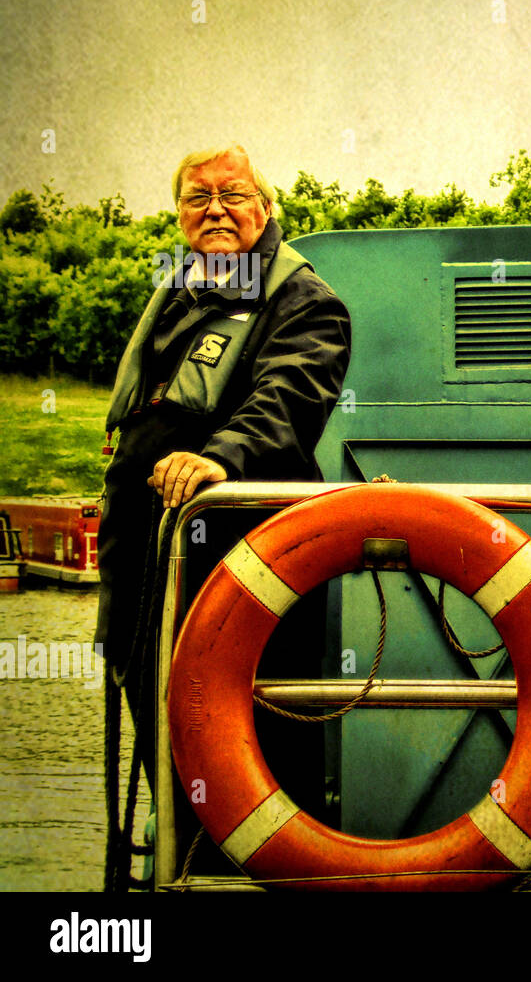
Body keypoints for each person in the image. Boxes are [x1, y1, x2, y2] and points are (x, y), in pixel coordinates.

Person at [96, 144, 351, 796]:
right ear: (180, 213)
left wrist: (218, 458)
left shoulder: (303, 298)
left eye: (233, 195)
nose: (215, 210)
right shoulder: (179, 293)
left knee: (254, 774)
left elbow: (287, 401)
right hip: (148, 580)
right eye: (197, 197)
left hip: (241, 578)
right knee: (170, 772)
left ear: (266, 208)